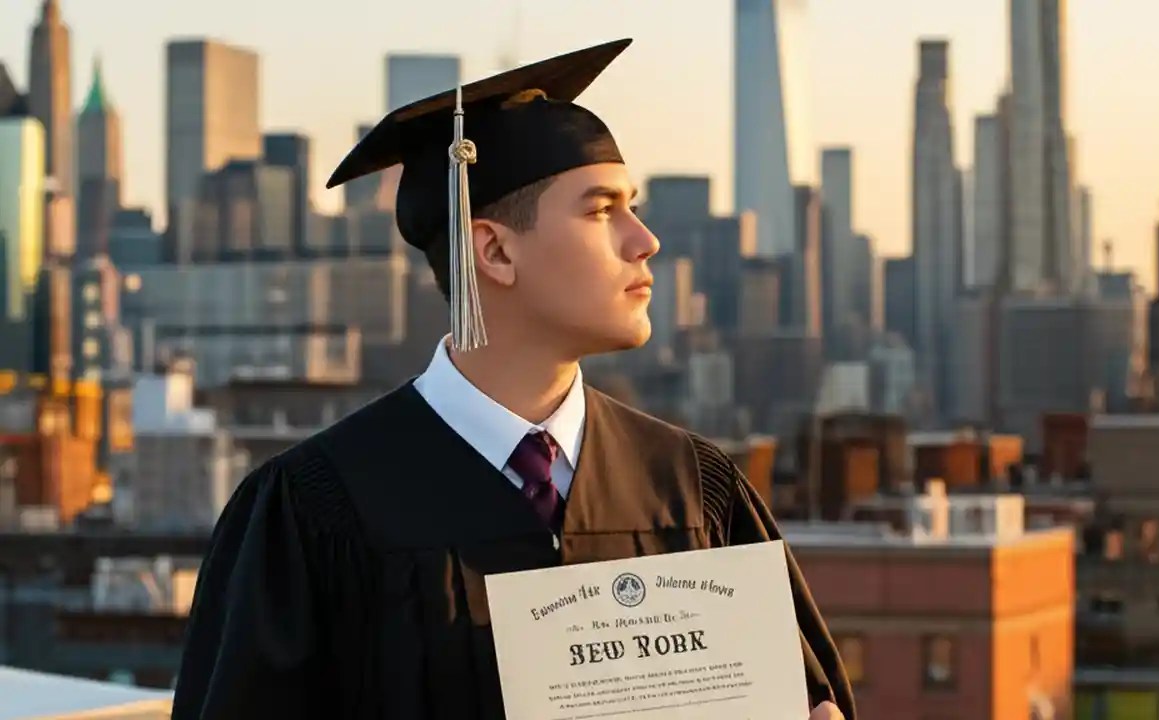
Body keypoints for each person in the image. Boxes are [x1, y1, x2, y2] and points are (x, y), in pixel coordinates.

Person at [171, 38, 856, 720]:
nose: (644, 240)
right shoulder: (316, 510)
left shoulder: (694, 489)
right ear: (493, 250)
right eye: (601, 209)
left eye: (635, 206)